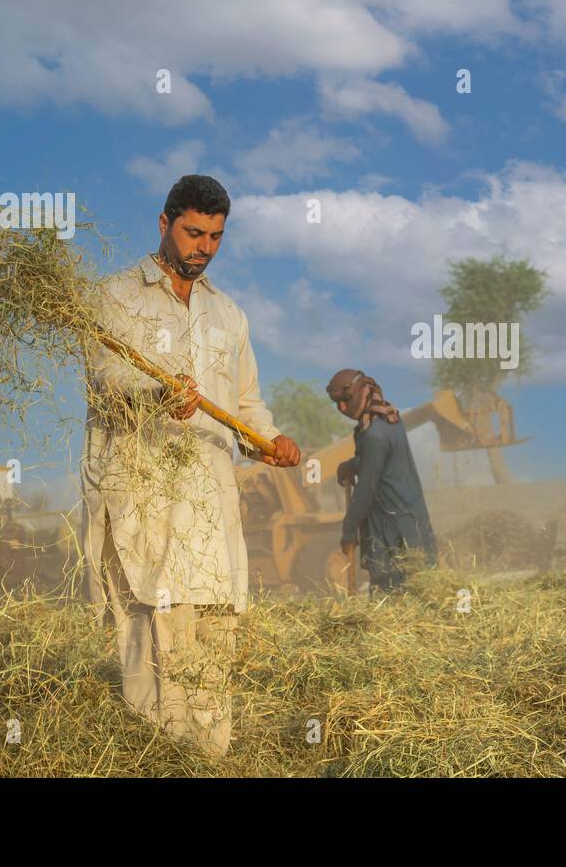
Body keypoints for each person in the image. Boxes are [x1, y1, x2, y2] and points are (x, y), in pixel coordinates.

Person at [81, 174, 300, 756]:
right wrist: (155, 396)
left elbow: (245, 406)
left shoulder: (230, 316)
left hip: (208, 502)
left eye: (215, 237)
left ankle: (209, 760)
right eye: (192, 232)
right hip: (141, 497)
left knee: (211, 638)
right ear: (163, 224)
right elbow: (106, 383)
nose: (202, 247)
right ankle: (154, 759)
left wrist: (272, 440)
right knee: (147, 633)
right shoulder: (116, 297)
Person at [327, 369, 438, 593]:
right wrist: (354, 464)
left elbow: (366, 490)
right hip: (407, 519)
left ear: (363, 391)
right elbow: (382, 461)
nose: (342, 408)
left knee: (393, 593)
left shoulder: (374, 435)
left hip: (393, 528)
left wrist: (349, 531)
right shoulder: (387, 419)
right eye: (337, 403)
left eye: (346, 400)